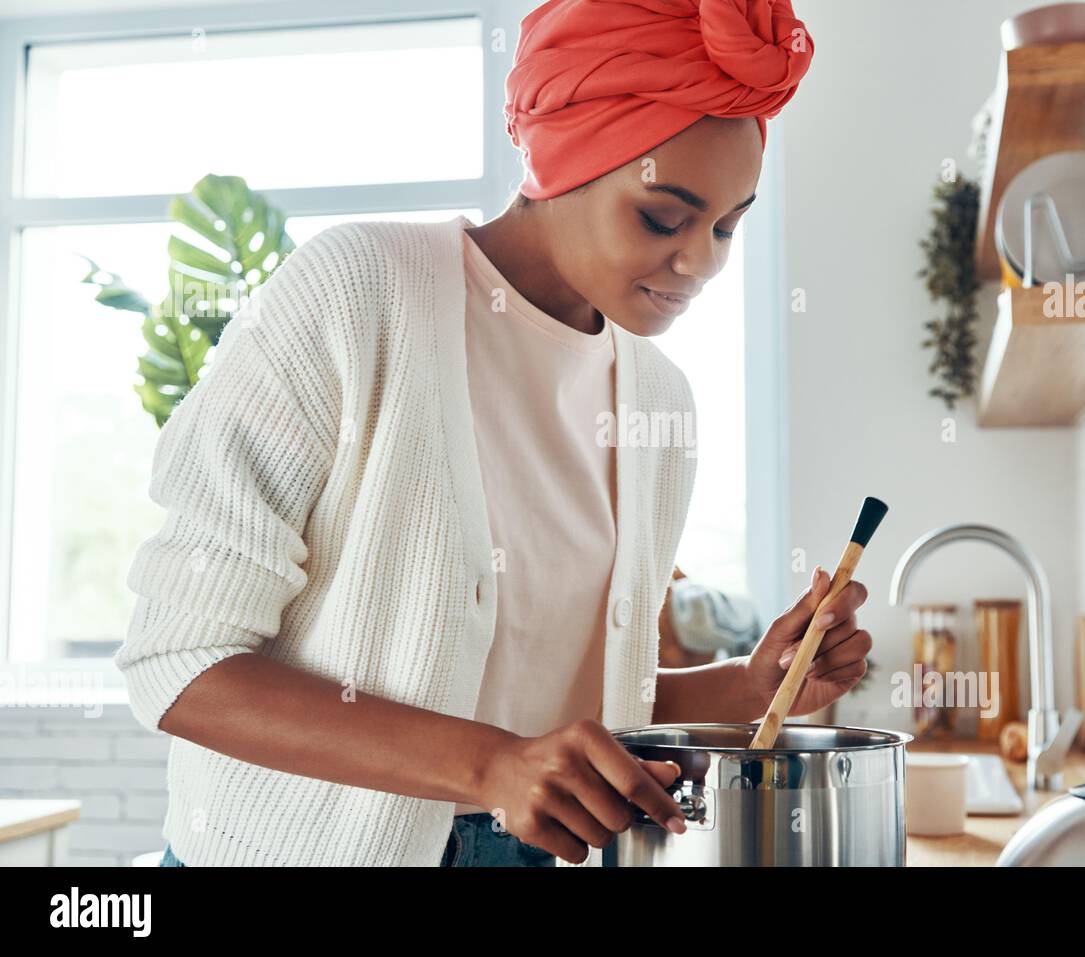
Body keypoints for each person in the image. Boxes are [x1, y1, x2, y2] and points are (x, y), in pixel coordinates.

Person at [124, 0, 867, 868]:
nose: (703, 260)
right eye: (665, 217)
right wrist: (490, 768)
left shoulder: (661, 403)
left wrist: (748, 684)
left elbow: (548, 694)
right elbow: (180, 659)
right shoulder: (361, 294)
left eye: (729, 225)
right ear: (564, 160)